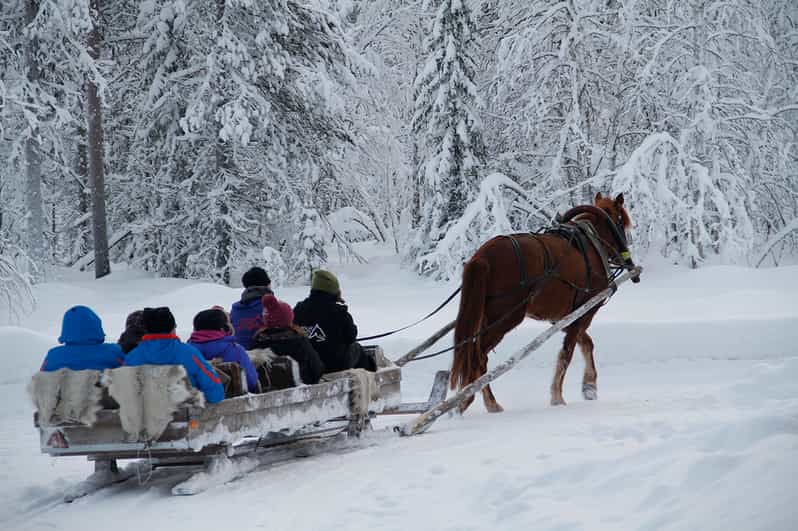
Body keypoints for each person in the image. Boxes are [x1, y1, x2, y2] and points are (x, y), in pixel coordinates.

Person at [124, 307, 224, 403]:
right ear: (172, 328)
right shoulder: (189, 353)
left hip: (147, 417)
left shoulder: (132, 358)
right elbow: (214, 392)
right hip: (187, 416)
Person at [293, 270, 376, 374]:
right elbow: (351, 336)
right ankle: (370, 376)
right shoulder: (339, 312)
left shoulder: (299, 309)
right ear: (333, 290)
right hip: (335, 365)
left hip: (310, 365)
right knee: (357, 348)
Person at [250, 294, 324, 385]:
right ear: (289, 319)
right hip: (301, 392)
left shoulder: (258, 341)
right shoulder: (299, 342)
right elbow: (317, 369)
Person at [188, 308, 259, 392]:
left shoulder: (186, 352)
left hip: (198, 402)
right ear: (223, 328)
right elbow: (251, 382)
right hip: (234, 403)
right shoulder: (236, 350)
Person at [41, 306, 124, 371]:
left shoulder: (53, 356)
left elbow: (40, 381)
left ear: (66, 328)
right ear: (96, 326)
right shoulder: (114, 352)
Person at [230, 267, 273, 349]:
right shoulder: (272, 307)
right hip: (266, 357)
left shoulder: (235, 309)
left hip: (241, 357)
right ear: (268, 284)